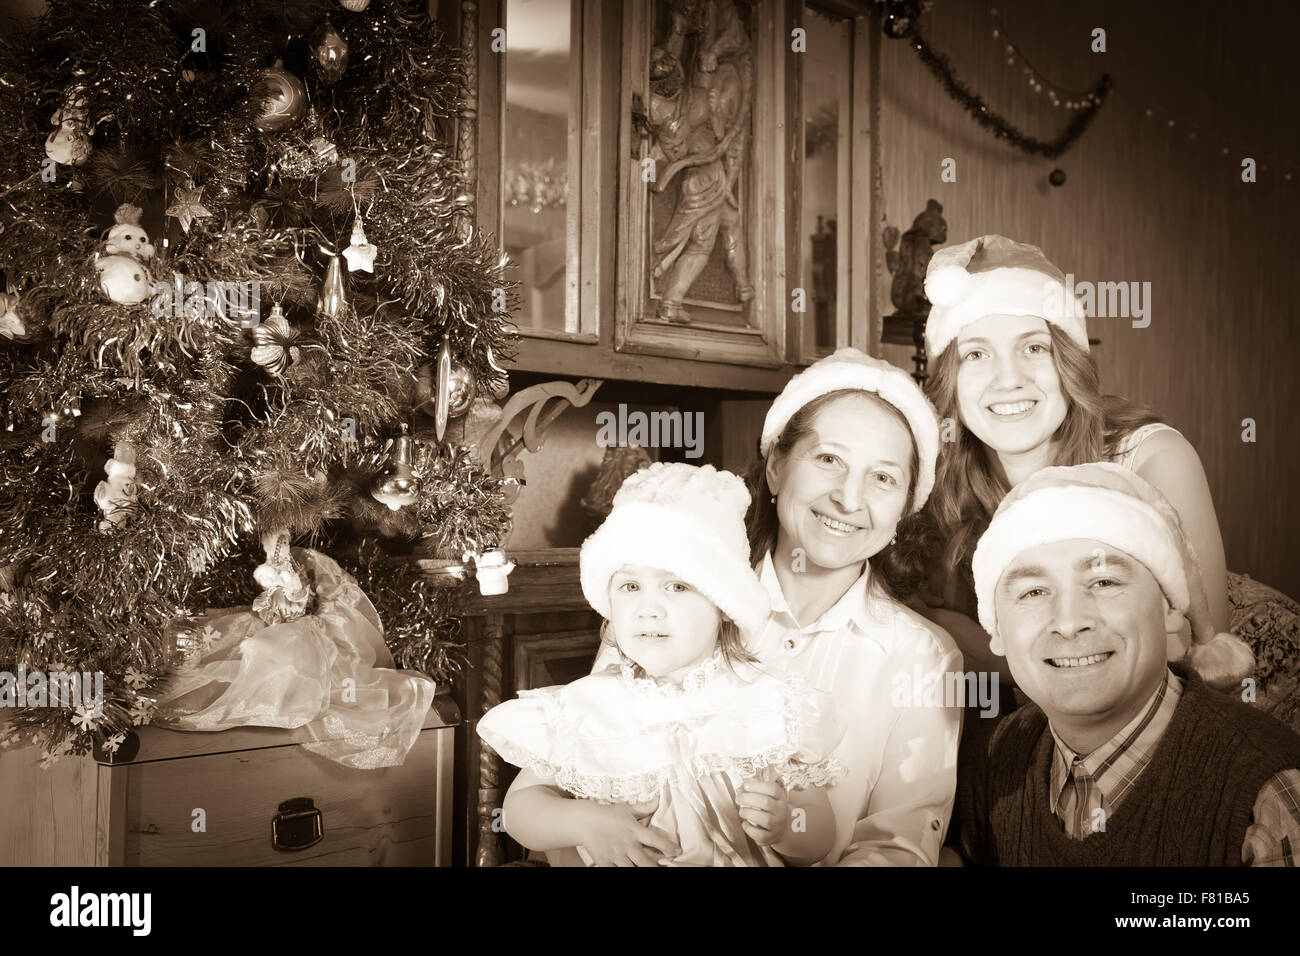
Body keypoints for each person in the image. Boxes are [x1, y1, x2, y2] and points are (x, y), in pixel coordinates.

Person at [920, 234, 1250, 690]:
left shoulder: (1153, 459)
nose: (1009, 379)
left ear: (1069, 362)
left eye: (1034, 348)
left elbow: (1204, 660)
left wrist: (967, 641)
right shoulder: (936, 473)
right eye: (976, 354)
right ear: (951, 383)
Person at [479, 463, 844, 866]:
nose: (648, 609)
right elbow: (517, 811)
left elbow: (820, 836)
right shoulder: (589, 707)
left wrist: (784, 825)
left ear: (724, 604)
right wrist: (582, 820)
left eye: (677, 586)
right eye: (631, 586)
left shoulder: (770, 704)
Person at [956, 463, 1298, 865]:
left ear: (1170, 608)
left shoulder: (1268, 796)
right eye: (1033, 592)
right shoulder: (996, 760)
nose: (1068, 622)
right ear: (997, 631)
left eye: (1104, 583)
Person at [743, 348, 963, 865]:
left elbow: (896, 848)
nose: (848, 498)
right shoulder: (673, 597)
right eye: (829, 459)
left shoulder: (925, 659)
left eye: (882, 478)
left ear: (905, 509)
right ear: (776, 467)